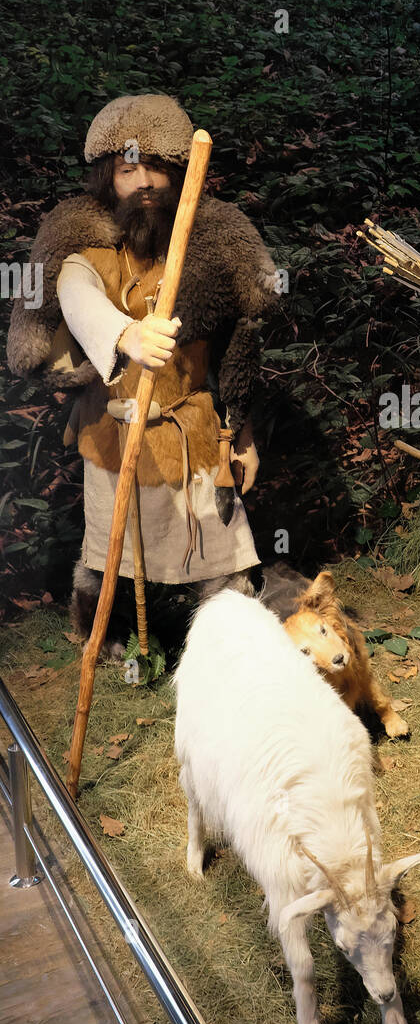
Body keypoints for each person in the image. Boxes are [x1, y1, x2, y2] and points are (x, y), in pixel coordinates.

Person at [7, 92, 279, 650]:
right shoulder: (85, 246)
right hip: (114, 430)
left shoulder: (208, 245)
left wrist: (242, 431)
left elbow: (236, 343)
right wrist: (126, 335)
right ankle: (104, 634)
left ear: (178, 174)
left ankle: (231, 640)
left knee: (219, 547)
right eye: (131, 169)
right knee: (111, 546)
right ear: (109, 175)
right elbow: (73, 293)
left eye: (157, 167)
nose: (146, 182)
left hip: (192, 428)